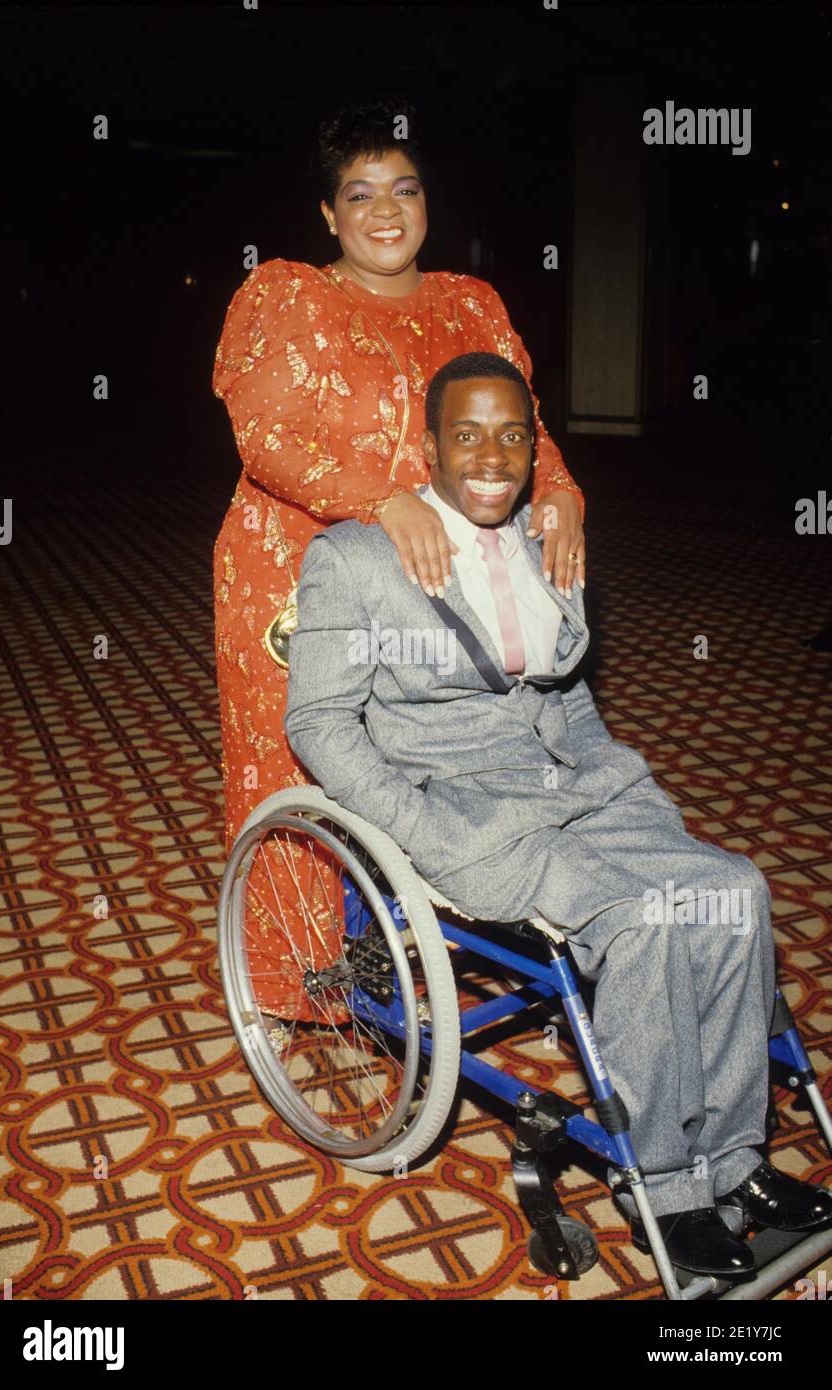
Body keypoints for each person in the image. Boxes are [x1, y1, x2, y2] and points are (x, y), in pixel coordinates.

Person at [284, 351, 832, 1281]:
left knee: (733, 892)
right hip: (461, 809)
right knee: (650, 922)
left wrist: (618, 783)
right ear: (429, 449)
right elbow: (320, 725)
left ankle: (736, 1165)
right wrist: (416, 828)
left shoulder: (550, 542)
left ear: (534, 449)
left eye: (511, 435)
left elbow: (565, 697)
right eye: (466, 434)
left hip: (573, 786)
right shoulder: (356, 559)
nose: (490, 455)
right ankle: (664, 1184)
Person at [211, 100, 585, 1018]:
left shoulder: (472, 302)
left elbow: (520, 421)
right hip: (293, 572)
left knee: (442, 755)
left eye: (404, 189)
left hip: (445, 573)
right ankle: (299, 982)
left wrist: (564, 491)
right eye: (360, 193)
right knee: (303, 763)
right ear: (329, 215)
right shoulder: (286, 293)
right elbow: (264, 437)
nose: (386, 210)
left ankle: (423, 941)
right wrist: (382, 501)